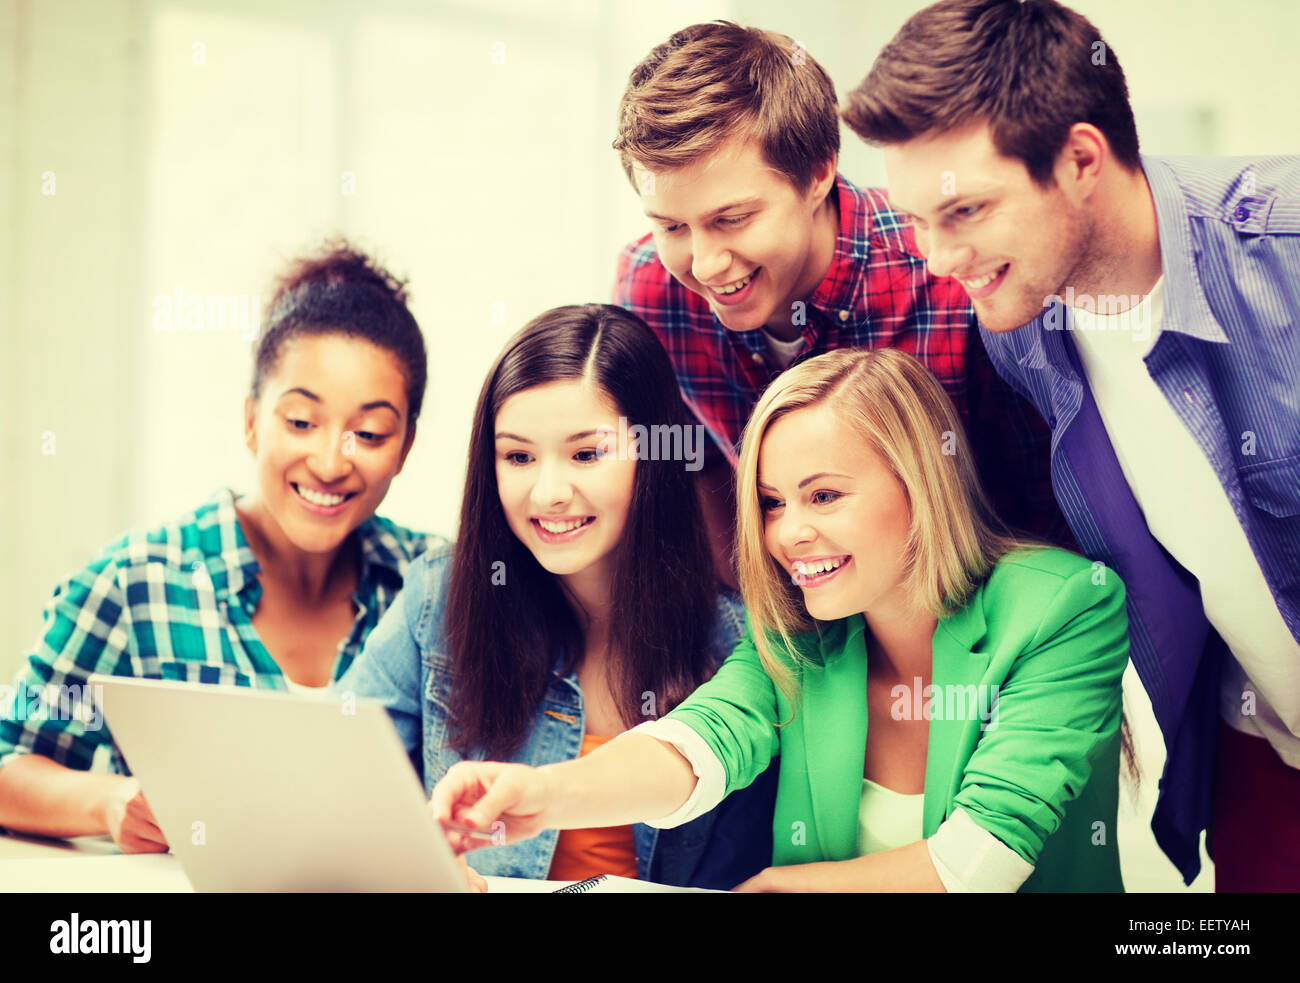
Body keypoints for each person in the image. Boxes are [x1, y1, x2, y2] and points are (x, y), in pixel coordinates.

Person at [841, 0, 1300, 891]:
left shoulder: (1283, 253)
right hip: (1263, 752)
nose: (937, 258)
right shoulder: (1020, 325)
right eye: (917, 221)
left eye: (966, 210)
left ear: (1082, 159)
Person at [429, 347, 1130, 892]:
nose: (787, 533)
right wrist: (541, 794)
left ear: (922, 485)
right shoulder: (803, 635)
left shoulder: (1064, 607)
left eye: (823, 495)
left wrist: (779, 889)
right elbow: (696, 745)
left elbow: (981, 860)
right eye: (771, 502)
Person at [0, 241, 436, 853]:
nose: (331, 462)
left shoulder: (433, 586)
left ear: (405, 446)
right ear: (252, 420)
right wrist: (107, 803)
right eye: (301, 422)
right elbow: (8, 760)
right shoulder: (136, 582)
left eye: (368, 433)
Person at [611, 20, 1070, 588]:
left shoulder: (954, 277)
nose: (704, 265)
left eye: (732, 219)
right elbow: (694, 464)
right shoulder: (651, 289)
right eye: (672, 226)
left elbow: (1048, 510)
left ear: (818, 175)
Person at [338, 303, 778, 890]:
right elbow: (332, 781)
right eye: (518, 456)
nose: (548, 492)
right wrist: (414, 867)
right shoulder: (436, 598)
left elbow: (733, 876)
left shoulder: (737, 641)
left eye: (586, 454)